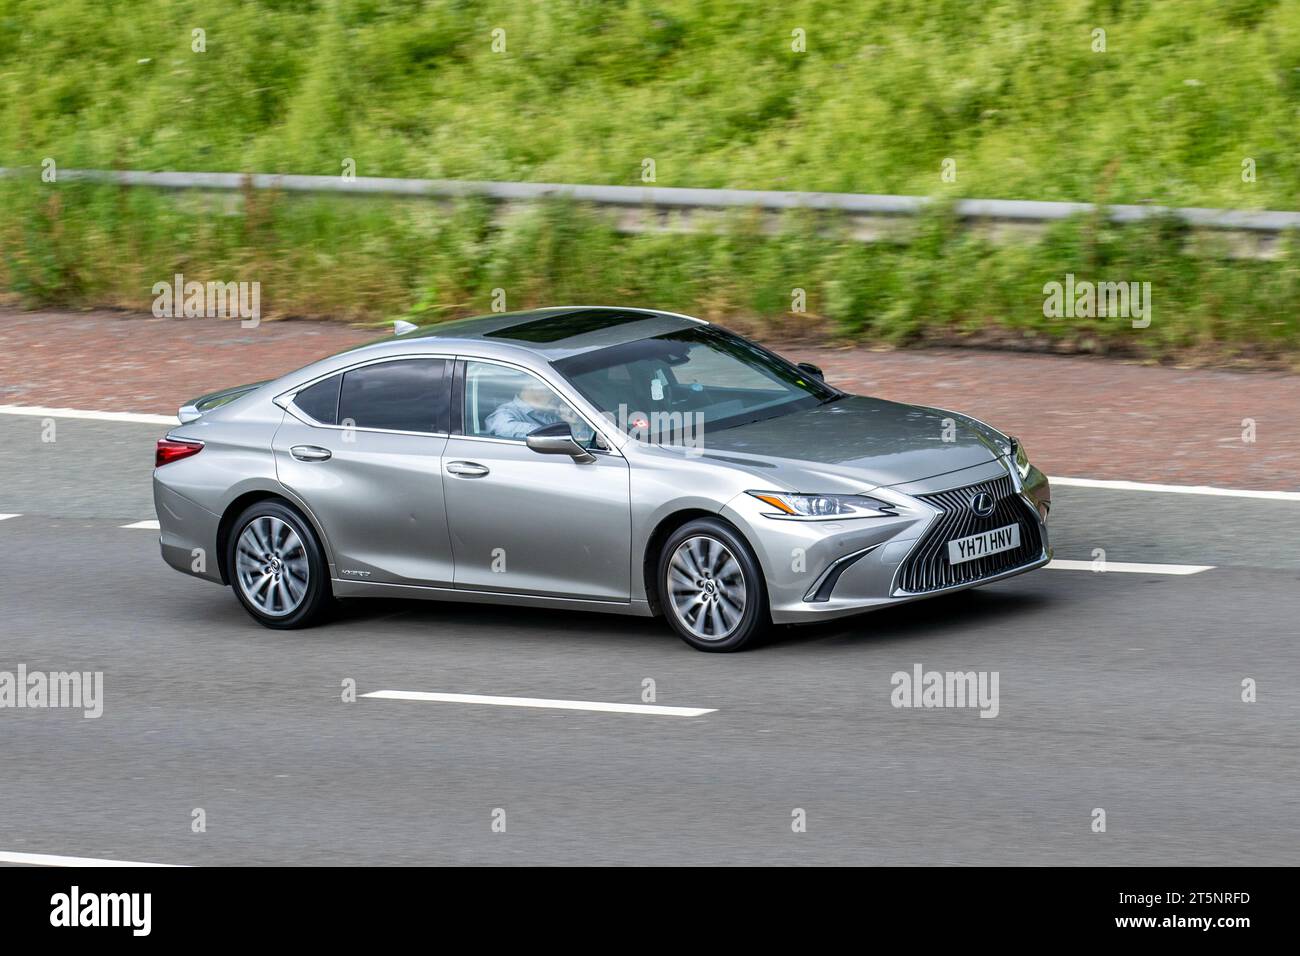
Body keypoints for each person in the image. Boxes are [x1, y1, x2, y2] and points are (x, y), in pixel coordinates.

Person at [485, 381, 578, 439]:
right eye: (550, 389)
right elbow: (502, 428)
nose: (556, 395)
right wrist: (553, 432)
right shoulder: (506, 411)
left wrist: (575, 425)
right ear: (530, 386)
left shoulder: (552, 413)